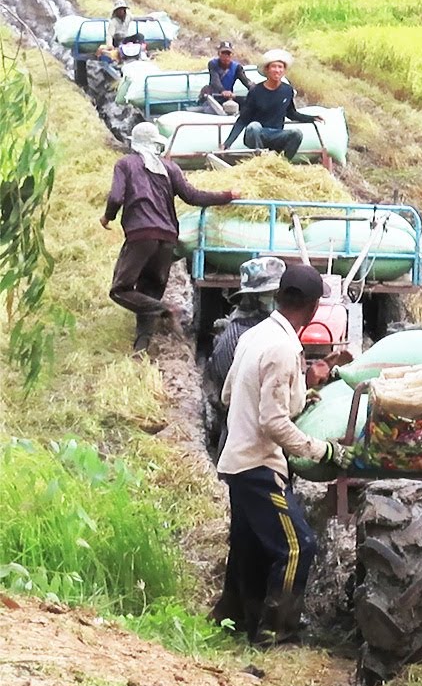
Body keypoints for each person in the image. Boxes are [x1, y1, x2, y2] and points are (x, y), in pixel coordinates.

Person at [211, 264, 349, 644]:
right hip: (259, 465)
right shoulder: (285, 348)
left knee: (249, 546)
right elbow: (273, 423)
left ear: (279, 296)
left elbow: (228, 395)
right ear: (313, 307)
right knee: (296, 546)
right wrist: (322, 450)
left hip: (234, 460)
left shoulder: (254, 335)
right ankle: (277, 631)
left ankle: (235, 619)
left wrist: (297, 396)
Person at [102, 122, 238, 354]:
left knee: (120, 290)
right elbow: (193, 196)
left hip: (141, 235)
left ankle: (166, 310)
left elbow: (116, 196)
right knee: (150, 289)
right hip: (167, 238)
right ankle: (141, 346)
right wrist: (227, 195)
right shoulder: (169, 168)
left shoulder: (125, 164)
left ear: (134, 144)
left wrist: (107, 217)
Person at [204, 257, 285, 458]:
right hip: (245, 433)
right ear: (256, 297)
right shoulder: (241, 335)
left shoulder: (258, 328)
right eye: (273, 295)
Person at [221, 49, 323, 161]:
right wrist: (227, 143)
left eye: (280, 67)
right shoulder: (256, 91)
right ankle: (260, 161)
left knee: (296, 134)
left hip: (276, 135)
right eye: (274, 67)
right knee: (254, 126)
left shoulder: (287, 90)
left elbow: (292, 113)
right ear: (267, 70)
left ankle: (281, 164)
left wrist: (312, 118)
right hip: (257, 134)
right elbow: (243, 120)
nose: (277, 70)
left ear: (284, 71)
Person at [199, 41, 255, 115]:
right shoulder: (213, 64)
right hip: (215, 96)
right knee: (208, 109)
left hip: (229, 98)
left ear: (232, 55)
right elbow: (215, 80)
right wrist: (223, 91)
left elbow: (246, 81)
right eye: (223, 53)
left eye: (228, 54)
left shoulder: (237, 67)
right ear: (219, 54)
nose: (226, 56)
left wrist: (255, 89)